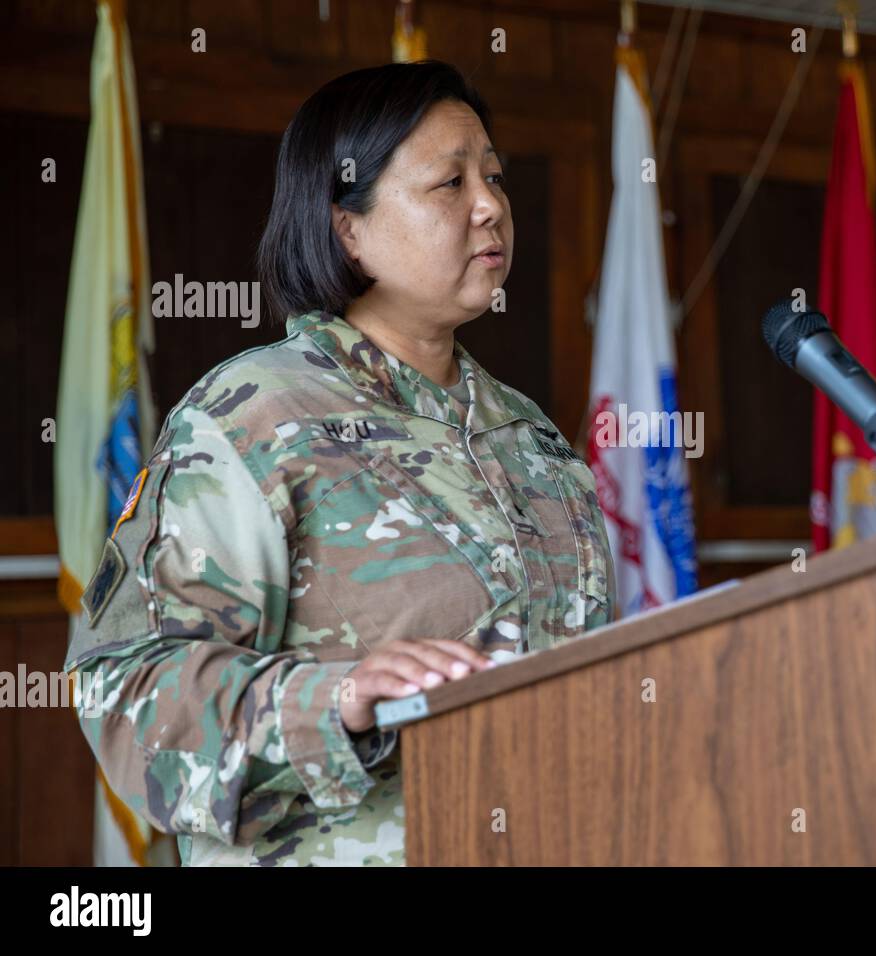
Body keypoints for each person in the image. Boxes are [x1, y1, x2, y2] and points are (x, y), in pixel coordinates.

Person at [64, 60, 616, 866]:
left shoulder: (530, 437)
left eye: (493, 177)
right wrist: (337, 698)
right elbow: (125, 698)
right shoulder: (253, 417)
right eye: (448, 184)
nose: (491, 205)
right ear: (345, 226)